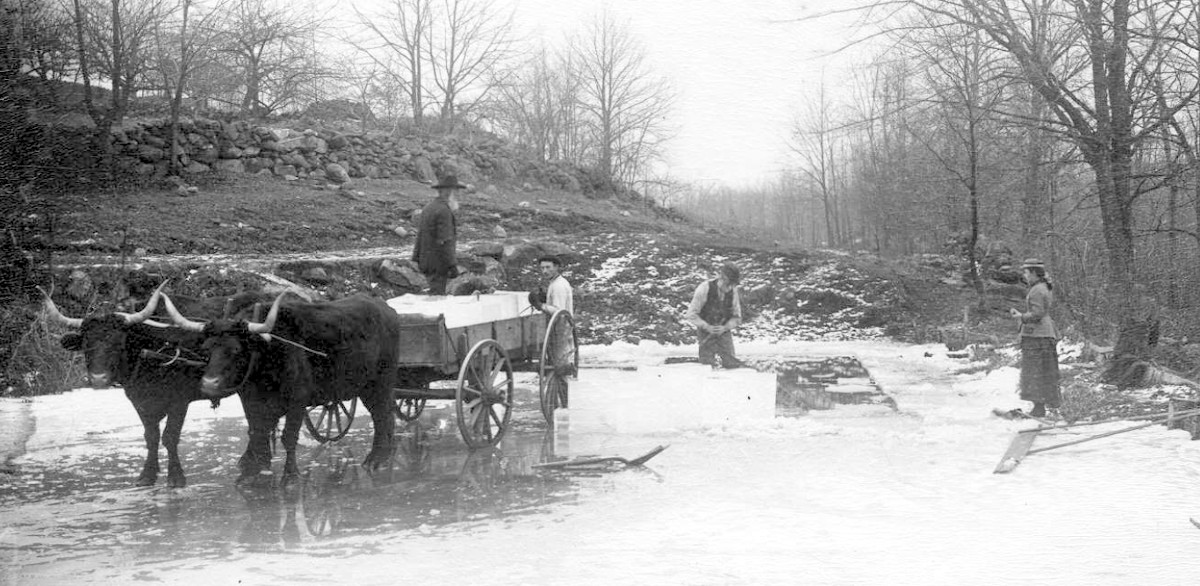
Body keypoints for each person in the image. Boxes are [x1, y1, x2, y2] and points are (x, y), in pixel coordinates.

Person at [1009, 258, 1061, 418]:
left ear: (1033, 273)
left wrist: (1021, 316)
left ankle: (1039, 408)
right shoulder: (1042, 287)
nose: (1024, 275)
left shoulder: (1037, 290)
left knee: (1035, 371)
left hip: (1037, 336)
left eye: (1026, 272)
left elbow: (1037, 314)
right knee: (1044, 371)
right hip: (1043, 335)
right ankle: (1043, 406)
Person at [412, 174, 466, 295]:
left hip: (426, 263)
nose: (458, 196)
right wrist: (452, 266)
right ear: (447, 192)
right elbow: (444, 241)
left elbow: (419, 237)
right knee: (437, 299)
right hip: (438, 266)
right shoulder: (444, 211)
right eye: (456, 192)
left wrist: (416, 259)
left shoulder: (428, 208)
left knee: (432, 296)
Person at [685, 262, 744, 368]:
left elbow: (737, 317)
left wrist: (725, 327)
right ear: (722, 278)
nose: (729, 288)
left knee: (731, 364)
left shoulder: (733, 291)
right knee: (706, 365)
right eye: (728, 284)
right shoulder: (704, 288)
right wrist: (707, 327)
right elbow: (691, 314)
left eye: (732, 285)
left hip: (724, 330)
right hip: (705, 332)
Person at [529, 255, 576, 378]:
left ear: (556, 267)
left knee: (559, 363)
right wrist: (545, 299)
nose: (545, 271)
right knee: (559, 361)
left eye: (548, 267)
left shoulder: (558, 286)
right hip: (559, 327)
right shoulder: (556, 283)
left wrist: (540, 305)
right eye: (542, 268)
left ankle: (562, 386)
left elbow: (558, 310)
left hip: (560, 328)